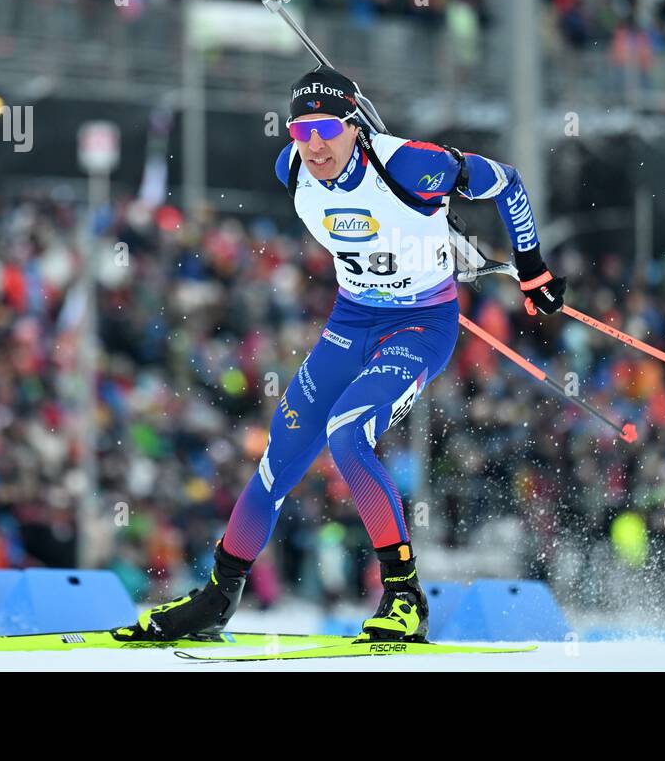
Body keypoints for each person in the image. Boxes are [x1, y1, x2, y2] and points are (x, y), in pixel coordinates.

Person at [116, 66, 565, 642]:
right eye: (301, 132)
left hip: (420, 325)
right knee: (280, 456)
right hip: (352, 321)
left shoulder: (409, 165)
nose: (314, 144)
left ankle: (404, 597)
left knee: (349, 434)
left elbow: (506, 181)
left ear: (354, 124)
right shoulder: (291, 169)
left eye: (326, 128)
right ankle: (217, 598)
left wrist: (531, 267)